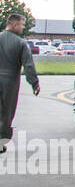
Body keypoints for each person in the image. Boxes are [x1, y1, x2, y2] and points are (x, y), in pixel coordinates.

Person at [0, 13, 39, 153]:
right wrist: (34, 83)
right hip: (10, 82)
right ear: (15, 24)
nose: (23, 28)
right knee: (6, 113)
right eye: (22, 25)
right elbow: (28, 66)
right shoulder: (21, 43)